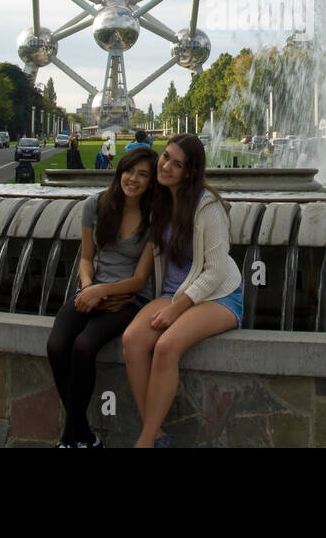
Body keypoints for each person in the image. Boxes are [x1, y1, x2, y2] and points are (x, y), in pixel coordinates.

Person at [122, 133, 242, 447]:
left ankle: (145, 441)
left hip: (217, 294)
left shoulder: (208, 206)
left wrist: (177, 308)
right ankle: (157, 435)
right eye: (165, 158)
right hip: (175, 293)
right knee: (133, 341)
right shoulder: (159, 203)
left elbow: (215, 271)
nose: (167, 167)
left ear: (189, 172)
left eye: (178, 165)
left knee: (165, 347)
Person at [47, 146, 159, 447]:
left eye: (143, 174)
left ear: (151, 182)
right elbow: (86, 258)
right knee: (57, 345)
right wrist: (88, 289)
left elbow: (140, 279)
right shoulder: (94, 205)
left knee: (84, 346)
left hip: (128, 299)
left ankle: (71, 439)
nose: (133, 179)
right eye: (129, 171)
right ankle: (82, 434)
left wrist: (104, 291)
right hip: (91, 290)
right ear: (119, 170)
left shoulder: (153, 218)